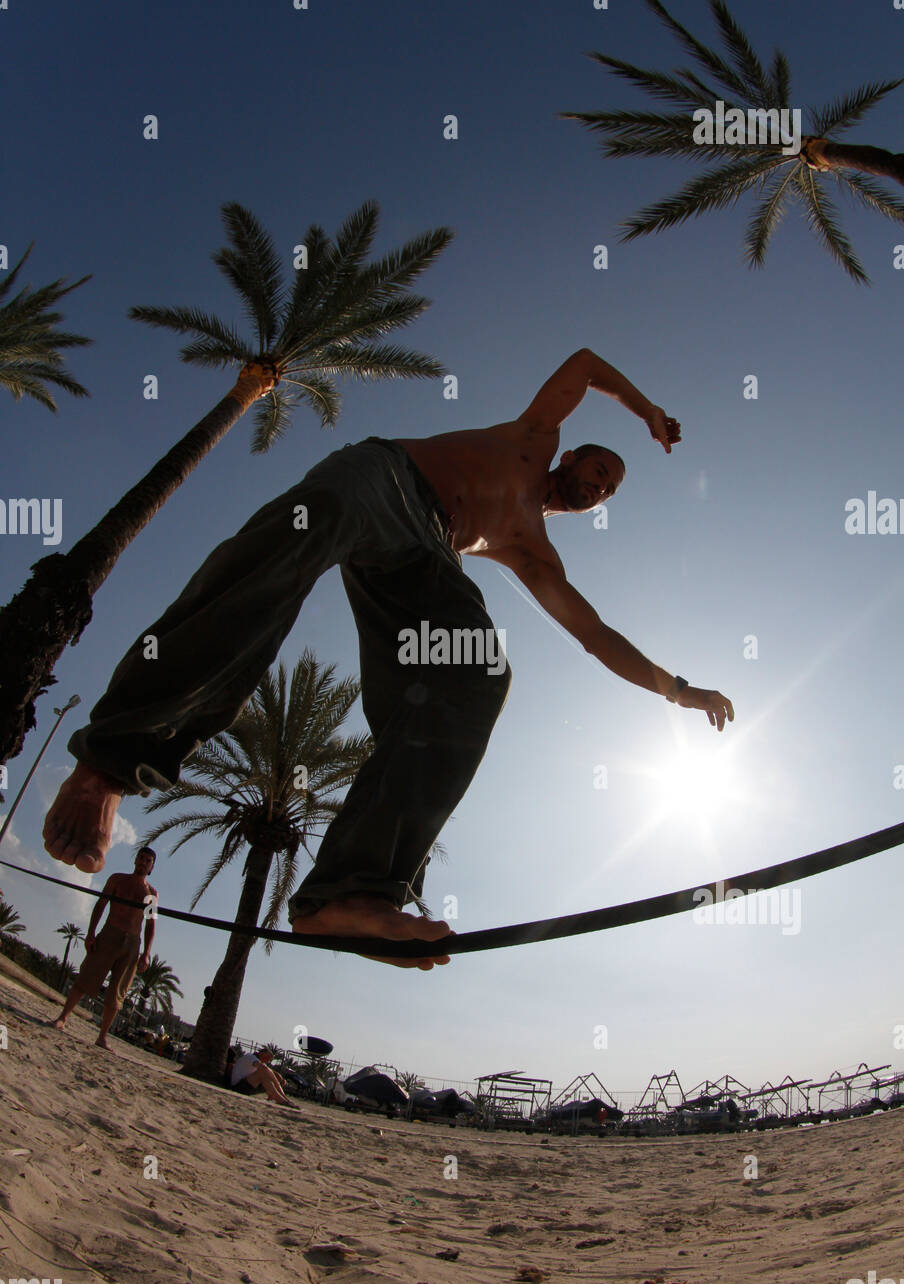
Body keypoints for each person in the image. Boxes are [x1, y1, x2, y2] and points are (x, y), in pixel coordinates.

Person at [42, 348, 733, 968]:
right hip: (381, 477)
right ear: (571, 457)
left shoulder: (531, 551)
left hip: (423, 552)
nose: (599, 488)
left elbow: (595, 635)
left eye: (609, 490)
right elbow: (583, 364)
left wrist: (679, 690)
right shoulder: (531, 439)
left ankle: (351, 889)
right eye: (599, 470)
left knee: (478, 673)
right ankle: (111, 761)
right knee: (277, 564)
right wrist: (646, 411)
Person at [49, 846, 158, 1048]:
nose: (143, 862)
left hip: (132, 943)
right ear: (135, 860)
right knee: (86, 976)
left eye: (148, 860)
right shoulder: (117, 880)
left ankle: (102, 1037)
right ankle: (62, 1017)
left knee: (118, 992)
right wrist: (91, 933)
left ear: (152, 867)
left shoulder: (151, 894)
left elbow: (150, 925)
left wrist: (146, 953)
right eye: (141, 858)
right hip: (110, 933)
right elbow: (101, 905)